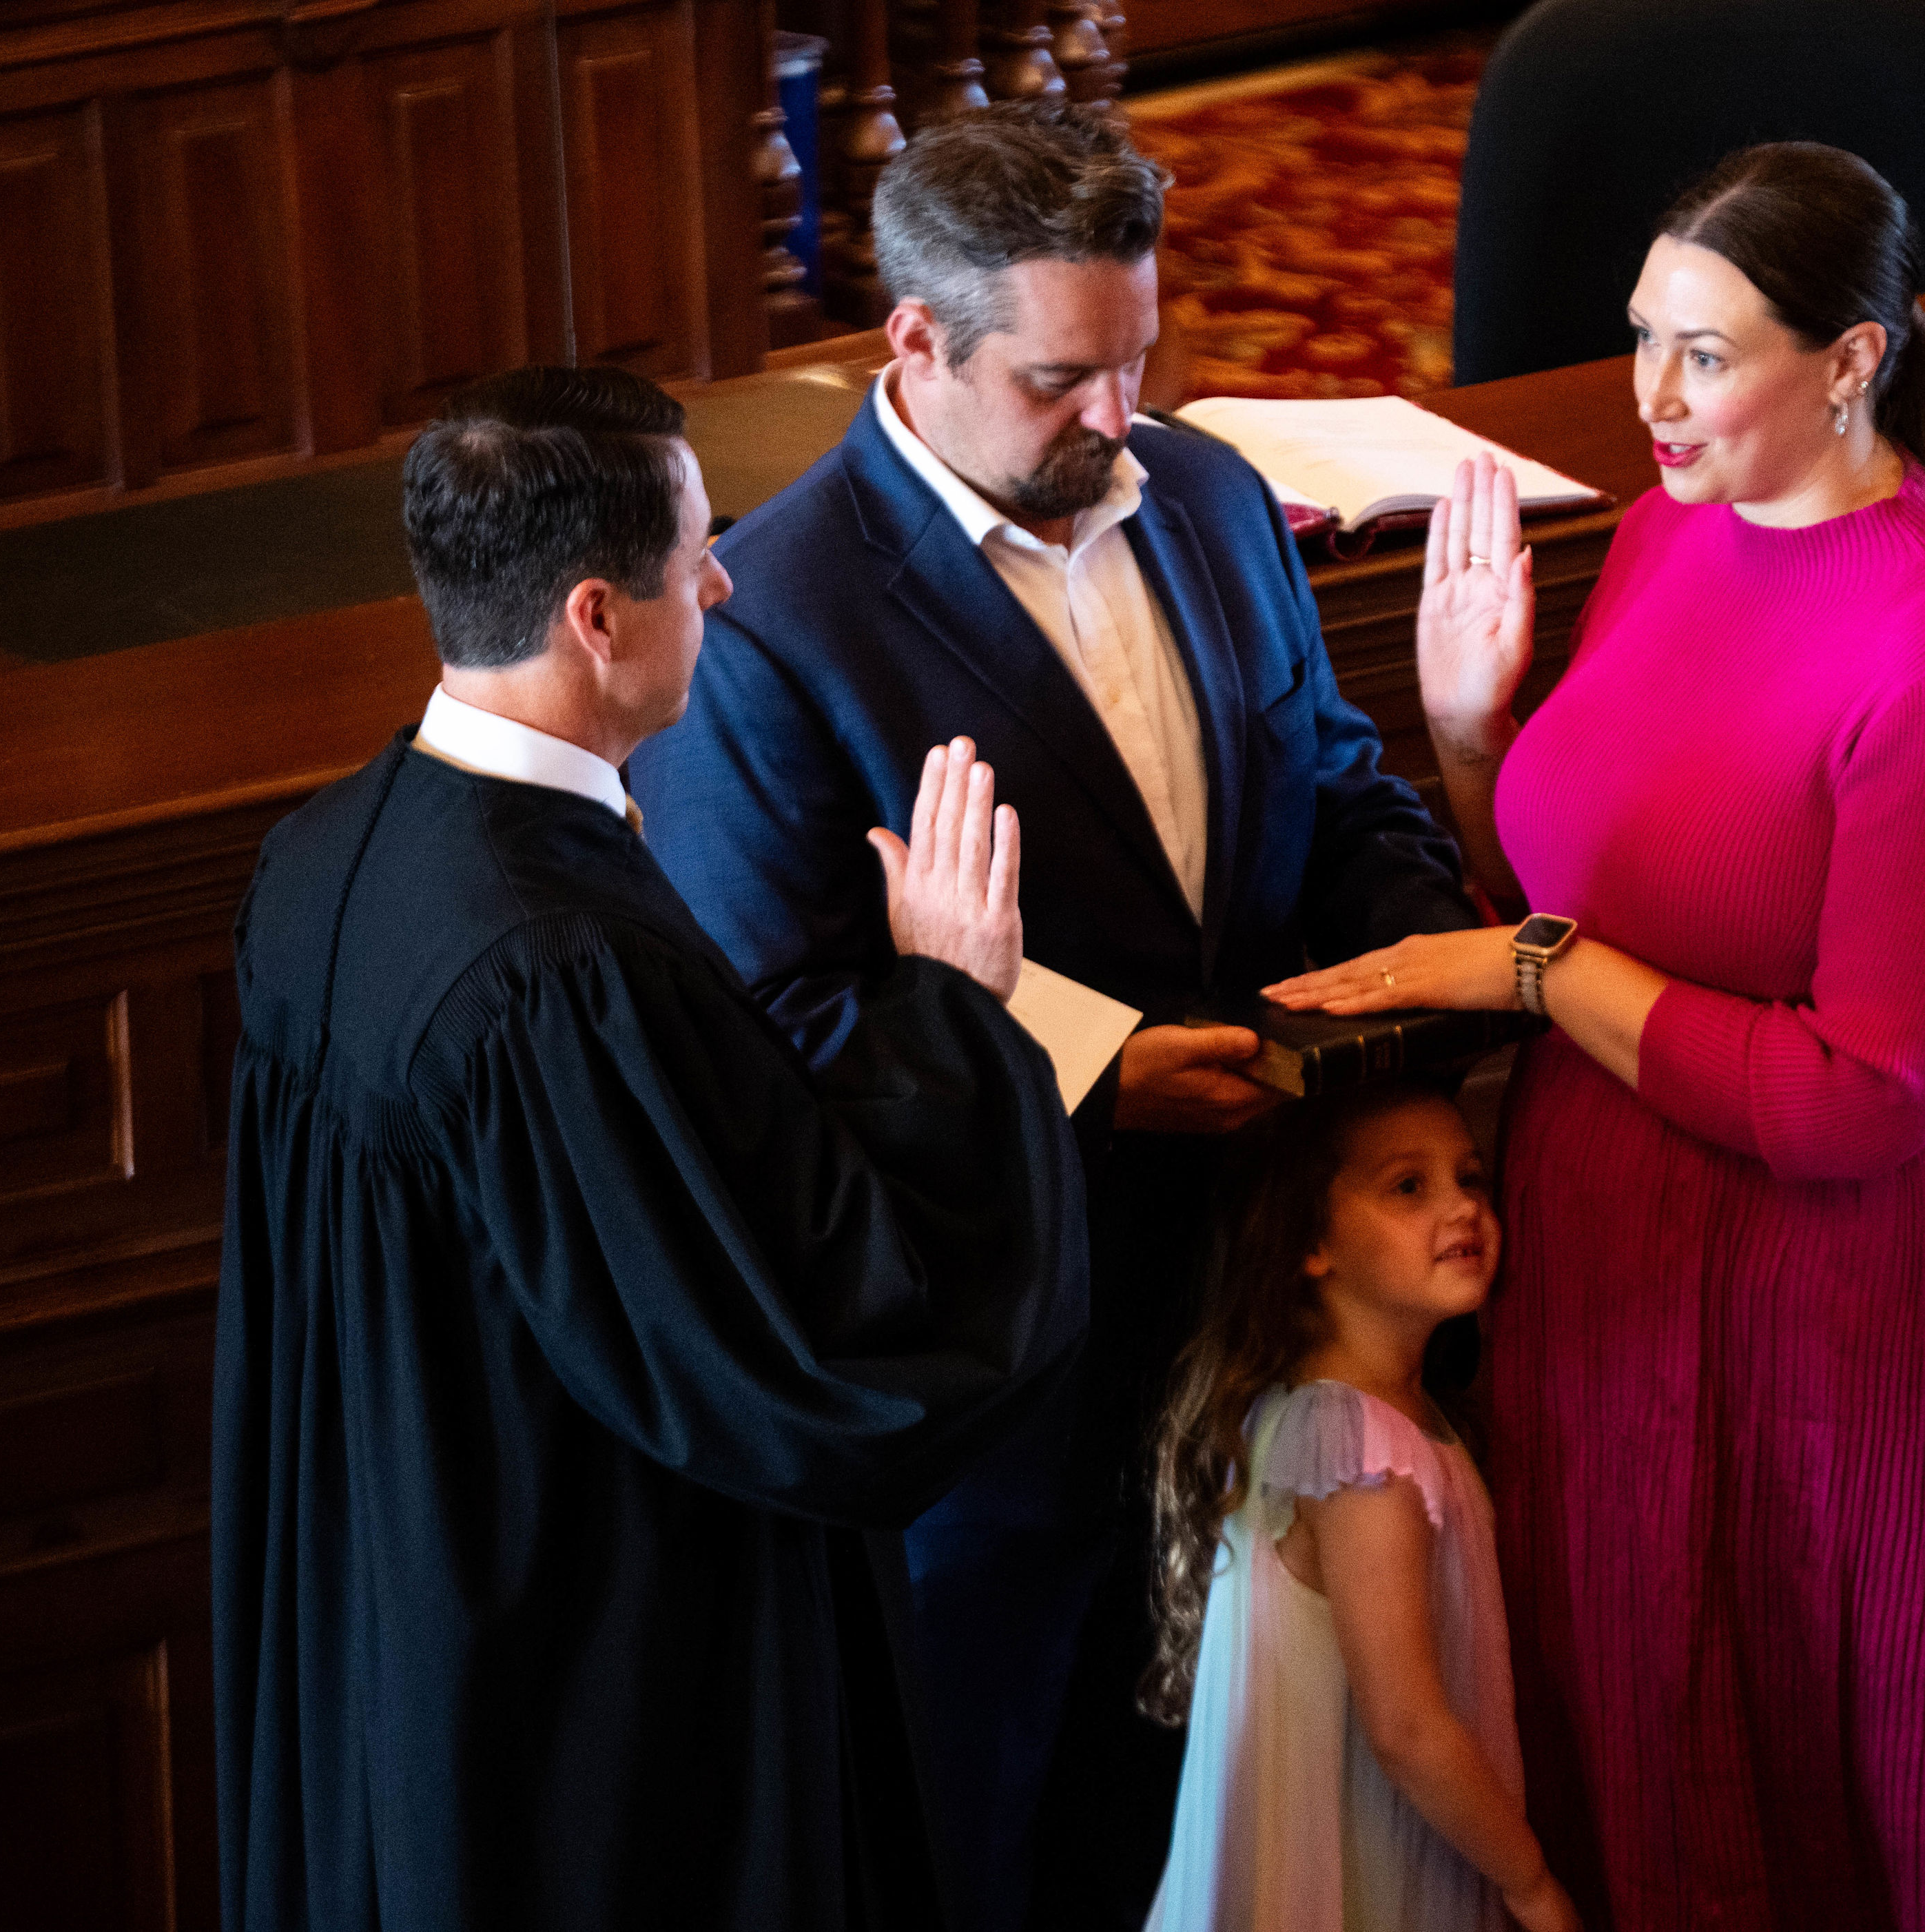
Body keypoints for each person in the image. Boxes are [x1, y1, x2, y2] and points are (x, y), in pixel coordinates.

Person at [628, 100, 1479, 1930]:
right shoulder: (768, 625)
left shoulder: (1216, 498)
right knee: (998, 1839)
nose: (1114, 421)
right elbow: (773, 1014)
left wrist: (1423, 965)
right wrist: (1090, 1078)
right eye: (1061, 379)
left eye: (1137, 364)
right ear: (914, 341)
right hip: (1005, 1384)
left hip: (1260, 1329)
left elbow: (1328, 788)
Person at [1266, 144, 1925, 1930]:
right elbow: (1571, 893)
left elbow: (1853, 1094)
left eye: (1703, 353)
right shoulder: (1660, 523)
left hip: (1838, 1288)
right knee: (1627, 1731)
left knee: (1817, 1758)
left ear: (1851, 360)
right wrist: (1472, 733)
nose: (1646, 393)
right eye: (1640, 336)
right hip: (1614, 1245)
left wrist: (1528, 975)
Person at [214, 364, 1096, 1932]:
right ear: (594, 616)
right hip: (591, 1683)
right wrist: (950, 1007)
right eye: (695, 553)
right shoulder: (561, 970)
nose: (724, 578)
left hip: (403, 1608)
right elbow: (818, 1341)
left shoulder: (322, 850)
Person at [1140, 1082, 1579, 1932]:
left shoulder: (1353, 1414)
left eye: (1471, 1177)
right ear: (1312, 1240)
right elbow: (1407, 1726)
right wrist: (1529, 1879)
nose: (1460, 1207)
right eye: (1408, 1186)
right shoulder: (1354, 1446)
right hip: (1369, 1868)